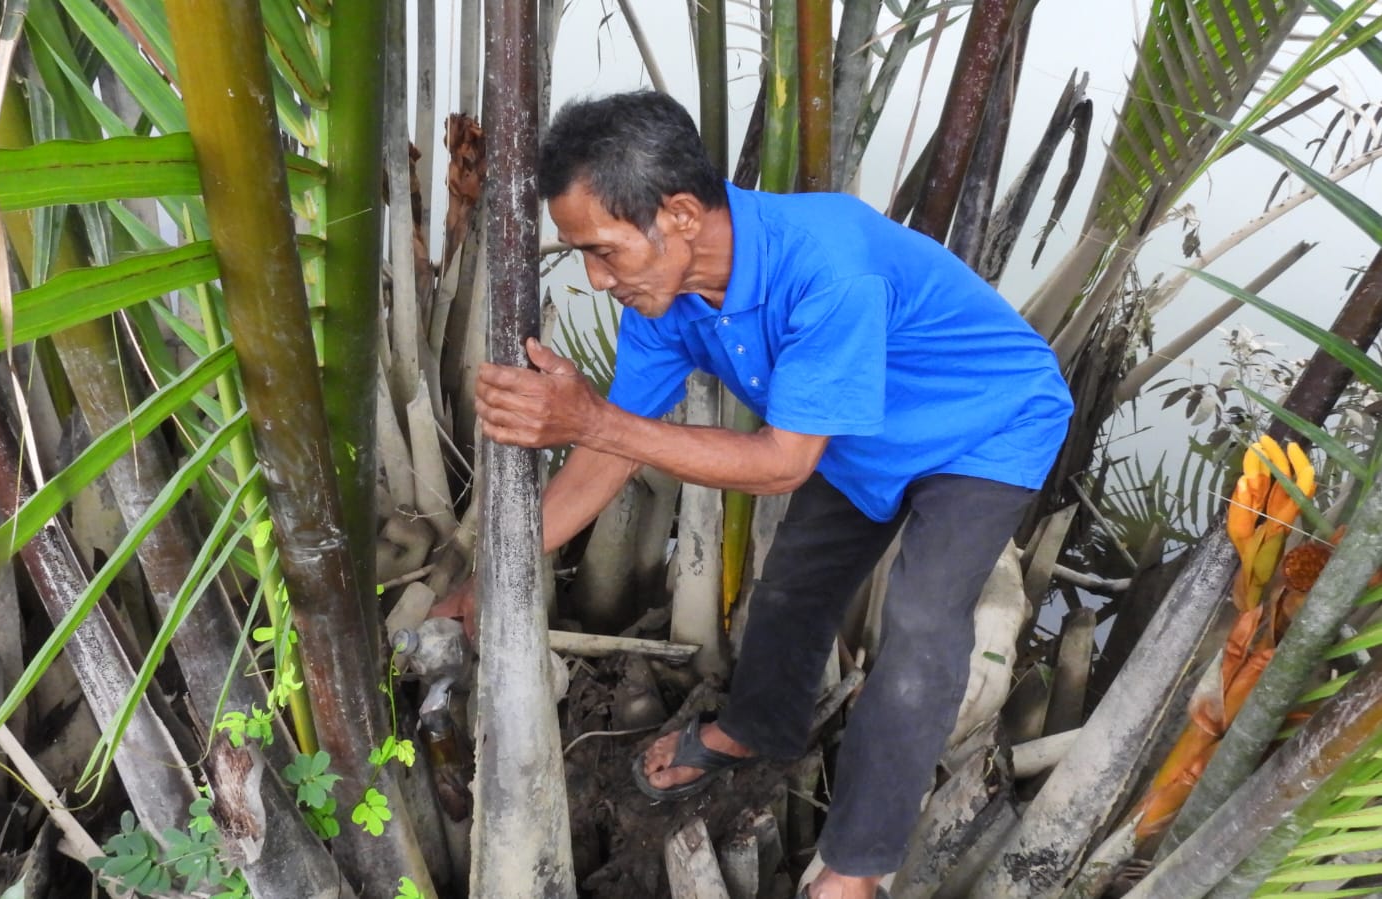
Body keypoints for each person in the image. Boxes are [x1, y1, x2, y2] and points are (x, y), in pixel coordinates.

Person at [431, 90, 1072, 899]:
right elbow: (608, 453)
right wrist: (488, 580)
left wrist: (590, 418)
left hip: (986, 423)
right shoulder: (663, 300)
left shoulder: (826, 268)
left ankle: (857, 863)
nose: (595, 280)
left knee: (919, 623)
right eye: (581, 255)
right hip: (855, 431)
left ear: (679, 215)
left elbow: (778, 465)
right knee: (793, 588)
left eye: (603, 251)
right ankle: (753, 729)